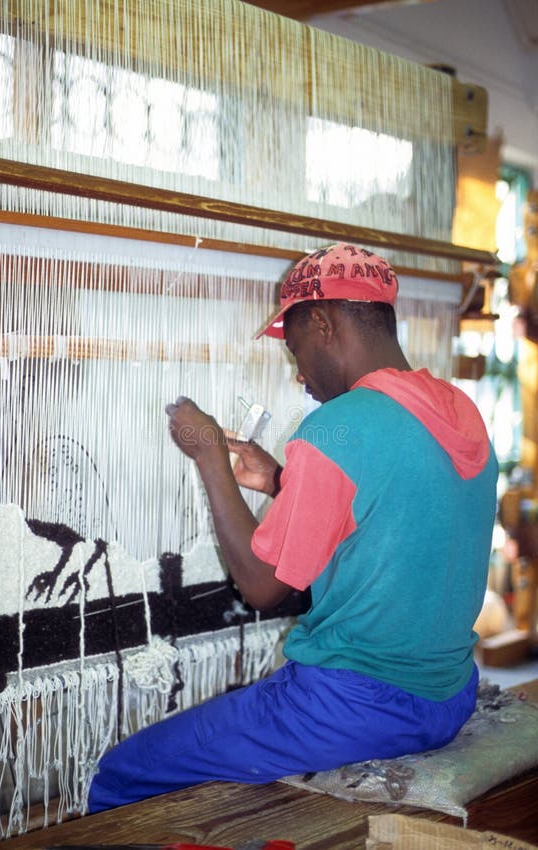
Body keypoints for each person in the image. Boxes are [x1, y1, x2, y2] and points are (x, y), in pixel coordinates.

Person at [88, 242, 498, 813]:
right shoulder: (459, 409)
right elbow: (399, 507)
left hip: (353, 706)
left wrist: (209, 456)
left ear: (324, 324)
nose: (299, 372)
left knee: (123, 773)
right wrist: (283, 481)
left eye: (295, 346)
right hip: (447, 694)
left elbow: (263, 586)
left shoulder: (334, 426)